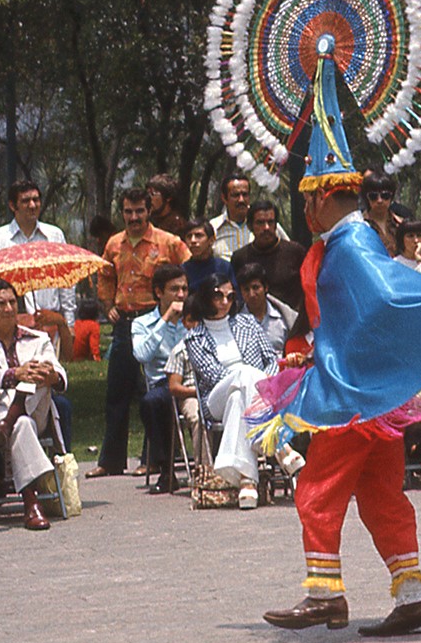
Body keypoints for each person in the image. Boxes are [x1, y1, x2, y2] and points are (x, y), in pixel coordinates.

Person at [258, 37, 421, 638]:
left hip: (355, 394)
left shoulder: (349, 245)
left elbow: (391, 295)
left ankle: (324, 593)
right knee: (381, 496)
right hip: (371, 393)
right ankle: (415, 595)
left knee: (317, 488)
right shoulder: (350, 243)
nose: (305, 212)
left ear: (324, 198)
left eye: (308, 199)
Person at [92, 187, 189, 478]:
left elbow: (187, 272)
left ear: (149, 211)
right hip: (124, 323)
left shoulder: (169, 242)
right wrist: (108, 305)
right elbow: (105, 277)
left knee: (151, 390)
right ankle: (110, 461)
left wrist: (179, 305)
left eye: (139, 211)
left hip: (157, 321)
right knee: (117, 392)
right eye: (128, 212)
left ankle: (152, 459)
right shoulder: (113, 244)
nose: (134, 217)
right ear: (121, 212)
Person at [185, 278, 281, 510]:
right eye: (219, 296)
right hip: (217, 398)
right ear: (207, 297)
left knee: (240, 399)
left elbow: (272, 360)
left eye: (230, 296)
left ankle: (247, 482)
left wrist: (264, 383)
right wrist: (254, 378)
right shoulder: (194, 337)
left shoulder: (247, 323)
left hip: (250, 396)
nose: (225, 302)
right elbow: (213, 376)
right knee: (244, 375)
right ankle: (279, 446)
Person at [0, 277, 66, 530]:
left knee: (39, 375)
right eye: (0, 304)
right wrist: (14, 374)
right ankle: (31, 502)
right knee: (23, 425)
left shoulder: (37, 339)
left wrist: (50, 375)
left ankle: (9, 422)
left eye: (12, 302)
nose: (8, 309)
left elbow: (61, 374)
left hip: (33, 408)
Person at [0, 179, 77, 357]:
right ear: (13, 206)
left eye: (36, 200)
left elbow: (66, 280)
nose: (32, 205)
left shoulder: (54, 235)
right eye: (26, 200)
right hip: (13, 323)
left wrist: (69, 321)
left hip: (51, 321)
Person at [130, 264, 190, 494]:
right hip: (162, 385)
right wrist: (165, 320)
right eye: (174, 289)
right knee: (152, 401)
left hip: (190, 381)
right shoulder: (142, 324)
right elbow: (142, 355)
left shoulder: (193, 319)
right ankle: (166, 470)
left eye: (184, 288)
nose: (181, 295)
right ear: (159, 292)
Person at [228, 201, 308, 313]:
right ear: (250, 226)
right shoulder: (240, 257)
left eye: (270, 222)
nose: (266, 228)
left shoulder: (295, 252)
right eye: (260, 223)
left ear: (276, 225)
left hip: (291, 322)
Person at [211, 174, 283, 259]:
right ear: (224, 198)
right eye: (235, 195)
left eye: (245, 194)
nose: (241, 200)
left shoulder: (267, 224)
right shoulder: (213, 228)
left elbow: (286, 250)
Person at [235, 261, 298, 355]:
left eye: (255, 287)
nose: (251, 294)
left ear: (266, 288)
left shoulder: (285, 319)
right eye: (246, 289)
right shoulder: (235, 322)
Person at [181, 220, 234, 295]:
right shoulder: (183, 271)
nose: (193, 241)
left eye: (198, 236)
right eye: (189, 236)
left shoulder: (224, 267)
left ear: (211, 240)